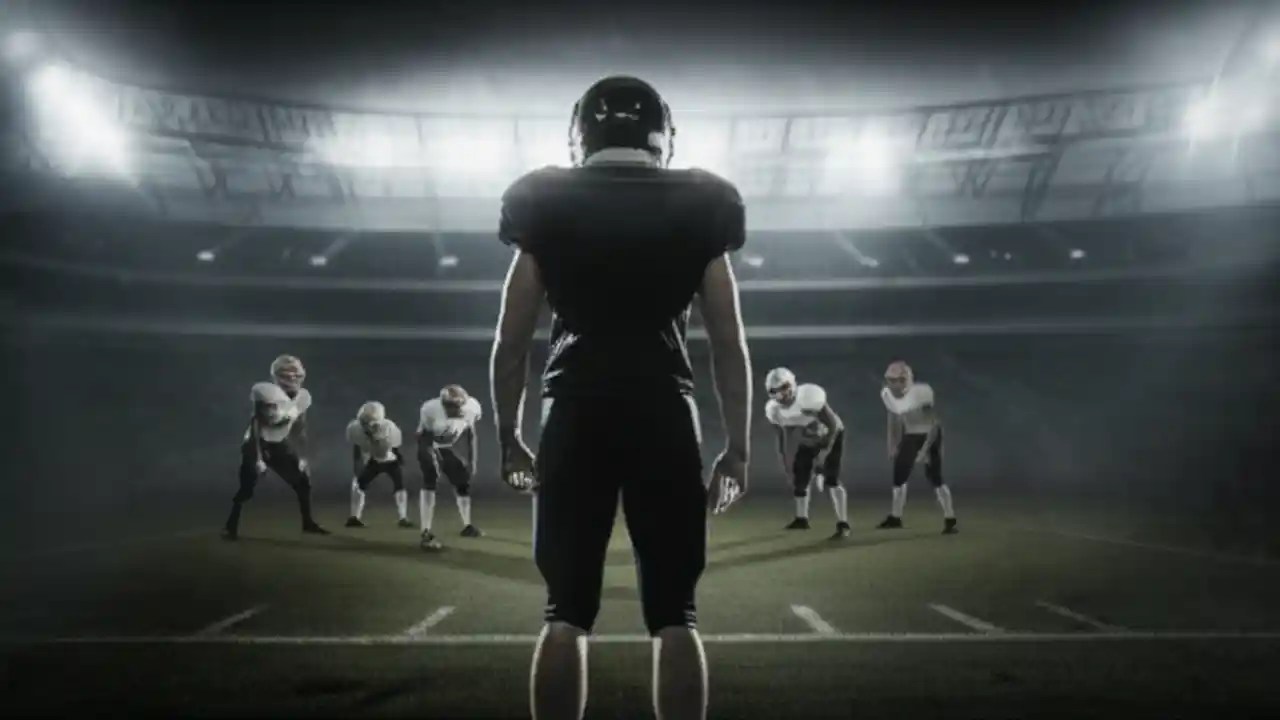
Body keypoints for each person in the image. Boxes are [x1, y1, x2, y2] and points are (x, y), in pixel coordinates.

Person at [489, 75, 751, 720]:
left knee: (564, 613)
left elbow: (511, 342)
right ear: (663, 134)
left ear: (580, 134)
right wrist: (739, 449)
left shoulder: (542, 199)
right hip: (664, 409)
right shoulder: (703, 201)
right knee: (676, 615)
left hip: (575, 408)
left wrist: (508, 436)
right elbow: (728, 343)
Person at [223, 354, 328, 540]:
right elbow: (256, 425)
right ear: (277, 377)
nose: (292, 379)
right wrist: (258, 458)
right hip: (257, 442)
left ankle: (308, 523)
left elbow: (300, 427)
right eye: (286, 375)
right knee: (247, 489)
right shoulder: (268, 394)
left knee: (303, 482)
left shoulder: (303, 397)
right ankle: (230, 526)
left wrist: (303, 456)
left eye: (295, 374)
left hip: (278, 443)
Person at [763, 367, 849, 538]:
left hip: (830, 435)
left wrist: (824, 454)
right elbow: (784, 436)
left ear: (792, 384)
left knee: (831, 480)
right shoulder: (775, 410)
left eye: (784, 388)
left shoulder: (809, 398)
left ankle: (843, 523)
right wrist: (786, 461)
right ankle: (801, 519)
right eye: (775, 391)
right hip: (808, 439)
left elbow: (832, 425)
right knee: (799, 479)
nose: (781, 394)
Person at [878, 360, 957, 534]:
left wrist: (925, 450)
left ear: (906, 379)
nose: (894, 385)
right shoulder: (887, 394)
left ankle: (950, 518)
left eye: (898, 380)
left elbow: (934, 424)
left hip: (929, 435)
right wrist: (892, 444)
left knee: (935, 476)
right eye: (891, 380)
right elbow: (893, 418)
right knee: (899, 476)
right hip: (911, 435)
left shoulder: (922, 393)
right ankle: (895, 517)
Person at [416, 384, 485, 549]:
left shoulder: (472, 408)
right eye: (450, 406)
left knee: (463, 482)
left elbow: (471, 434)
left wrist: (472, 461)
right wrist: (432, 458)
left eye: (457, 406)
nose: (454, 410)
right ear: (443, 404)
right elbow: (423, 437)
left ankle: (467, 525)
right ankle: (425, 531)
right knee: (430, 478)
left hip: (445, 446)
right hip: (428, 443)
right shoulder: (430, 409)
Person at [345, 401, 410, 528]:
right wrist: (358, 466)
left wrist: (398, 455)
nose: (368, 427)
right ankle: (354, 517)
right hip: (373, 460)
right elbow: (357, 448)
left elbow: (394, 446)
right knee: (358, 484)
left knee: (400, 486)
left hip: (390, 459)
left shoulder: (389, 427)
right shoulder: (355, 429)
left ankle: (403, 517)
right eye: (365, 423)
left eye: (372, 423)